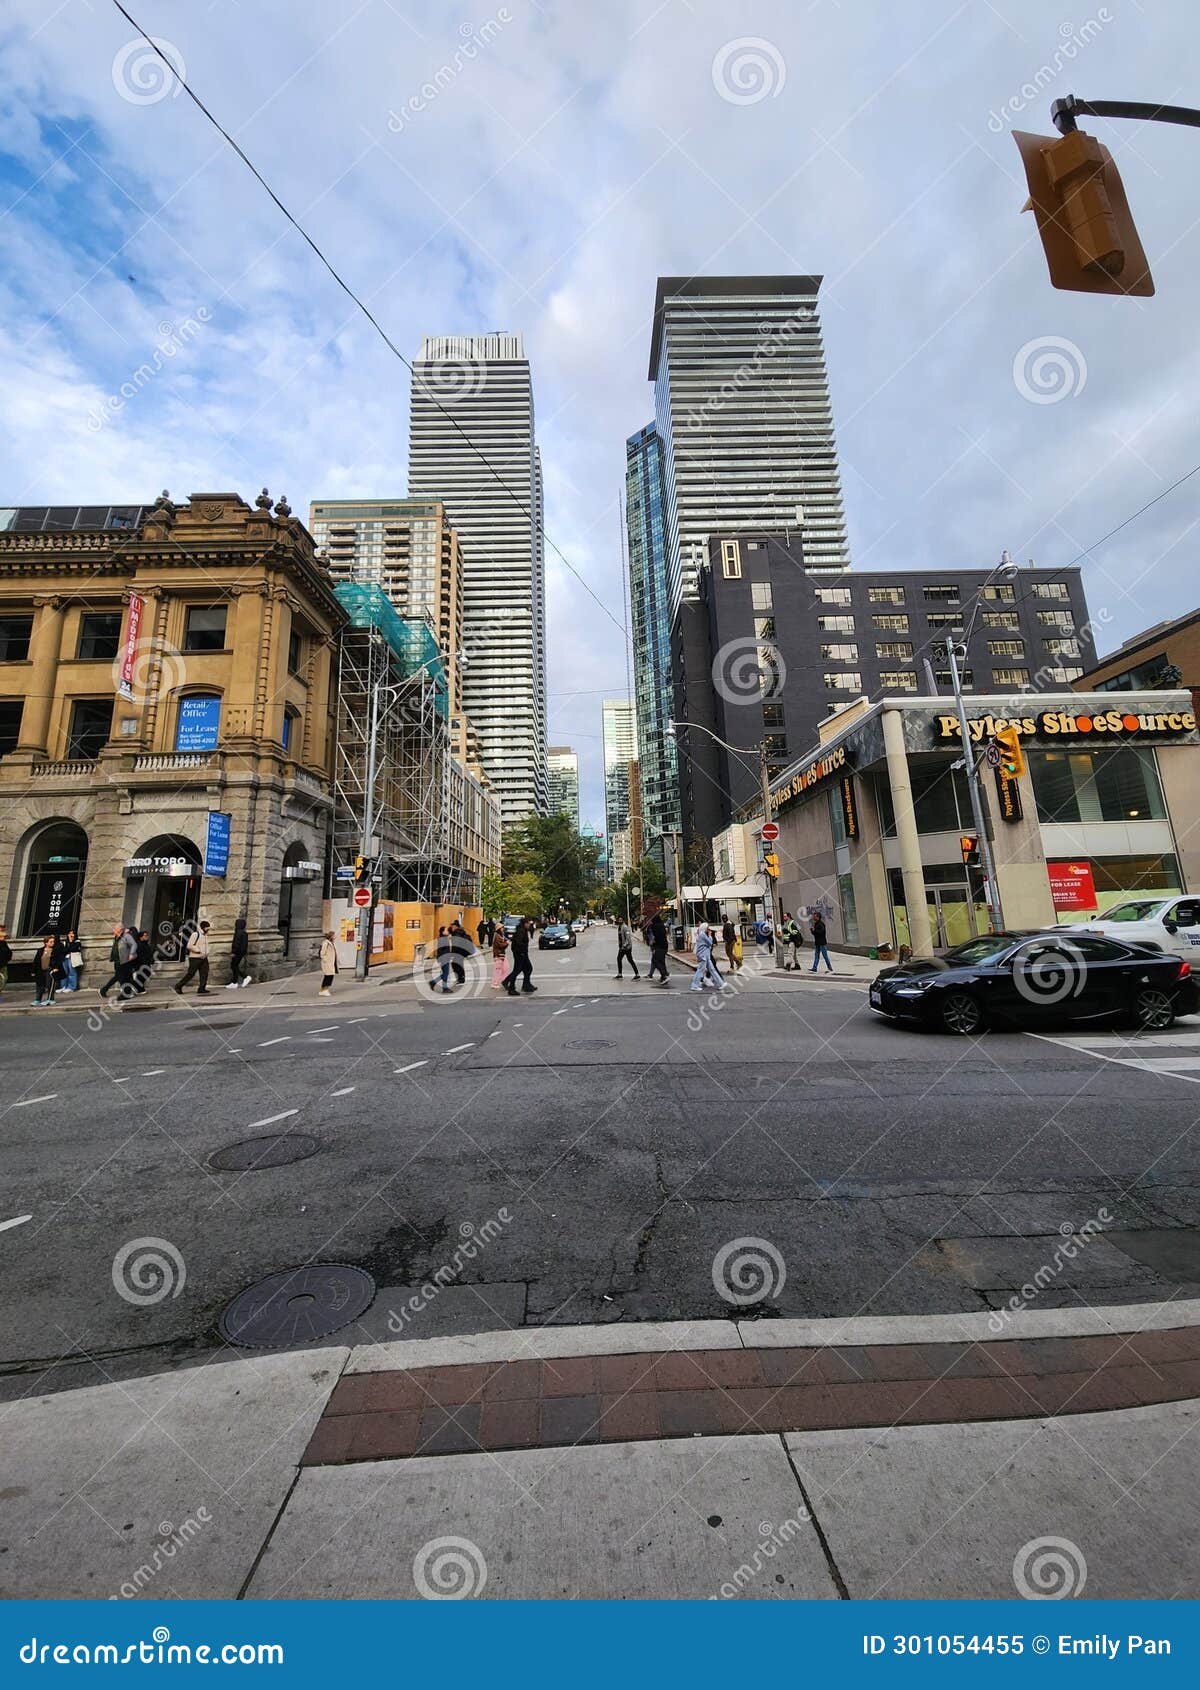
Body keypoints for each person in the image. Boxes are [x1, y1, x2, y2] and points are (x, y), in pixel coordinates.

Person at [174, 920, 212, 995]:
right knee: (191, 973)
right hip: (195, 958)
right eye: (207, 928)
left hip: (204, 958)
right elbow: (189, 945)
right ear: (203, 927)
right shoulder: (195, 934)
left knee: (204, 973)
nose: (208, 929)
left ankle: (202, 988)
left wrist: (207, 952)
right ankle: (178, 986)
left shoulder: (205, 936)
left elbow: (206, 946)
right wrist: (199, 951)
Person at [690, 922, 726, 992]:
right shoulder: (702, 935)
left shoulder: (702, 934)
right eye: (707, 928)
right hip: (703, 956)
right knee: (700, 970)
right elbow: (710, 942)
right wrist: (710, 935)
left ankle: (721, 983)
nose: (708, 929)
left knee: (712, 970)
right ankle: (694, 985)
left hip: (706, 955)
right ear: (704, 928)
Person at [505, 917, 536, 994]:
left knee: (528, 968)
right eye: (528, 923)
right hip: (520, 953)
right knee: (517, 970)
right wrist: (522, 951)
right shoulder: (520, 931)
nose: (529, 925)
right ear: (525, 924)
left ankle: (526, 985)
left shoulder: (523, 930)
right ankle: (511, 988)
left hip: (523, 953)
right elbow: (518, 943)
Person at [32, 932, 65, 1005]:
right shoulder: (40, 950)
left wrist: (56, 968)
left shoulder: (55, 950)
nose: (53, 943)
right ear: (46, 943)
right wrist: (33, 971)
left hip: (50, 970)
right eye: (51, 942)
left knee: (50, 985)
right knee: (40, 985)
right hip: (41, 970)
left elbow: (58, 960)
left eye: (53, 941)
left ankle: (50, 999)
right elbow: (36, 960)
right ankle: (38, 1000)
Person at [97, 925, 125, 998]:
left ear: (120, 930)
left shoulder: (123, 937)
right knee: (120, 976)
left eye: (115, 929)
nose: (113, 930)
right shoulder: (117, 938)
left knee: (119, 976)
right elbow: (115, 950)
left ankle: (104, 990)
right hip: (118, 961)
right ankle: (104, 990)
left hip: (121, 961)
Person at [646, 909, 670, 986]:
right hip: (664, 945)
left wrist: (654, 947)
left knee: (655, 961)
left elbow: (655, 938)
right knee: (661, 961)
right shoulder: (661, 925)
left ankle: (664, 975)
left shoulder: (655, 927)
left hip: (659, 946)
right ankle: (664, 976)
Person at [449, 921, 474, 987]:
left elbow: (456, 944)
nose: (451, 927)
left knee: (457, 965)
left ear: (455, 926)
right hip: (461, 952)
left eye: (452, 926)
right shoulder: (460, 932)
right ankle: (460, 978)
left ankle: (460, 979)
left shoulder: (457, 933)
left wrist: (452, 954)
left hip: (458, 952)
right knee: (457, 965)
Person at [228, 917, 251, 988]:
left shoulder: (238, 932)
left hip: (237, 952)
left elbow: (236, 943)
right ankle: (234, 982)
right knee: (234, 966)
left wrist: (233, 952)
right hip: (242, 952)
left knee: (233, 966)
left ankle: (245, 977)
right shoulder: (244, 933)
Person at [431, 926, 452, 992]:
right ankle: (444, 988)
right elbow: (441, 950)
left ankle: (434, 983)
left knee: (445, 973)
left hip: (444, 958)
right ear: (443, 932)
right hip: (444, 958)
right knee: (446, 973)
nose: (448, 931)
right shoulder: (443, 939)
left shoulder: (443, 938)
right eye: (446, 930)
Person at [319, 931, 338, 995]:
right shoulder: (326, 943)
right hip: (327, 963)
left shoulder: (331, 943)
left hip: (331, 962)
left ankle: (323, 990)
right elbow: (322, 953)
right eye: (334, 936)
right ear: (331, 936)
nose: (335, 937)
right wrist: (326, 960)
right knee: (328, 976)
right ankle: (324, 990)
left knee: (330, 976)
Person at [0, 924, 11, 1002]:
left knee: (4, 979)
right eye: (2, 930)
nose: (4, 932)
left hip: (3, 964)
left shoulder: (4, 943)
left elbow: (7, 952)